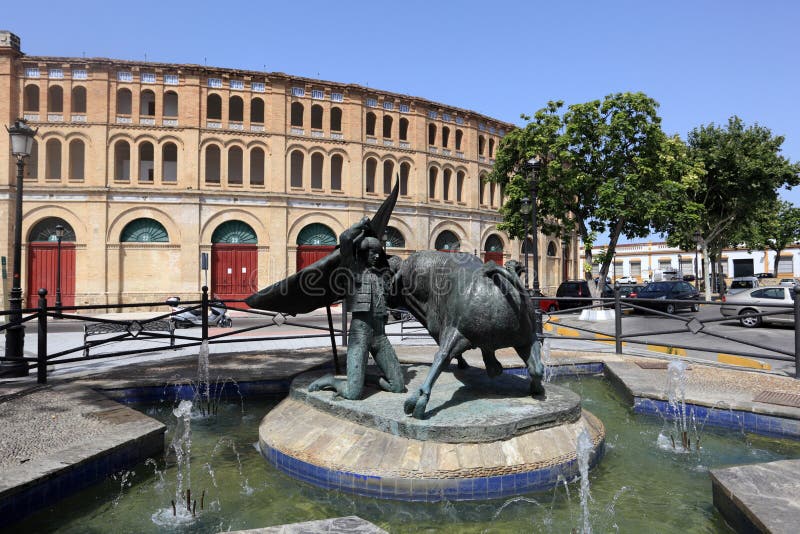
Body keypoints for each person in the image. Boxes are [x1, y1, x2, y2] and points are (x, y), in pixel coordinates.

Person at [308, 217, 405, 399]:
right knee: (353, 394)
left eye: (378, 253)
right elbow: (345, 239)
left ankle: (359, 379)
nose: (377, 256)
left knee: (398, 386)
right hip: (360, 336)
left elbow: (397, 274)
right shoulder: (353, 268)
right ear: (363, 253)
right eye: (372, 253)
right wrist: (359, 225)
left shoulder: (381, 275)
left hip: (380, 337)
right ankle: (332, 380)